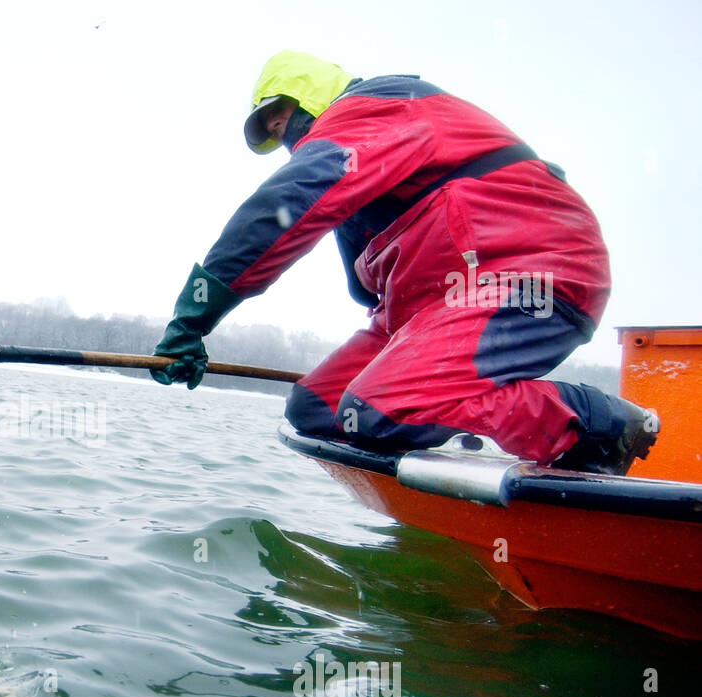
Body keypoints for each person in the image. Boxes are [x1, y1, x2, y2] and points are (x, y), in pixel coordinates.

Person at [150, 50, 658, 475]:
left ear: (312, 94)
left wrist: (193, 319)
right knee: (320, 408)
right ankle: (448, 417)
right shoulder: (368, 169)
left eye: (279, 111)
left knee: (376, 411)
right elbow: (360, 286)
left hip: (528, 271)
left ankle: (595, 423)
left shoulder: (381, 106)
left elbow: (279, 212)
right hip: (427, 309)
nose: (278, 128)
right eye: (268, 126)